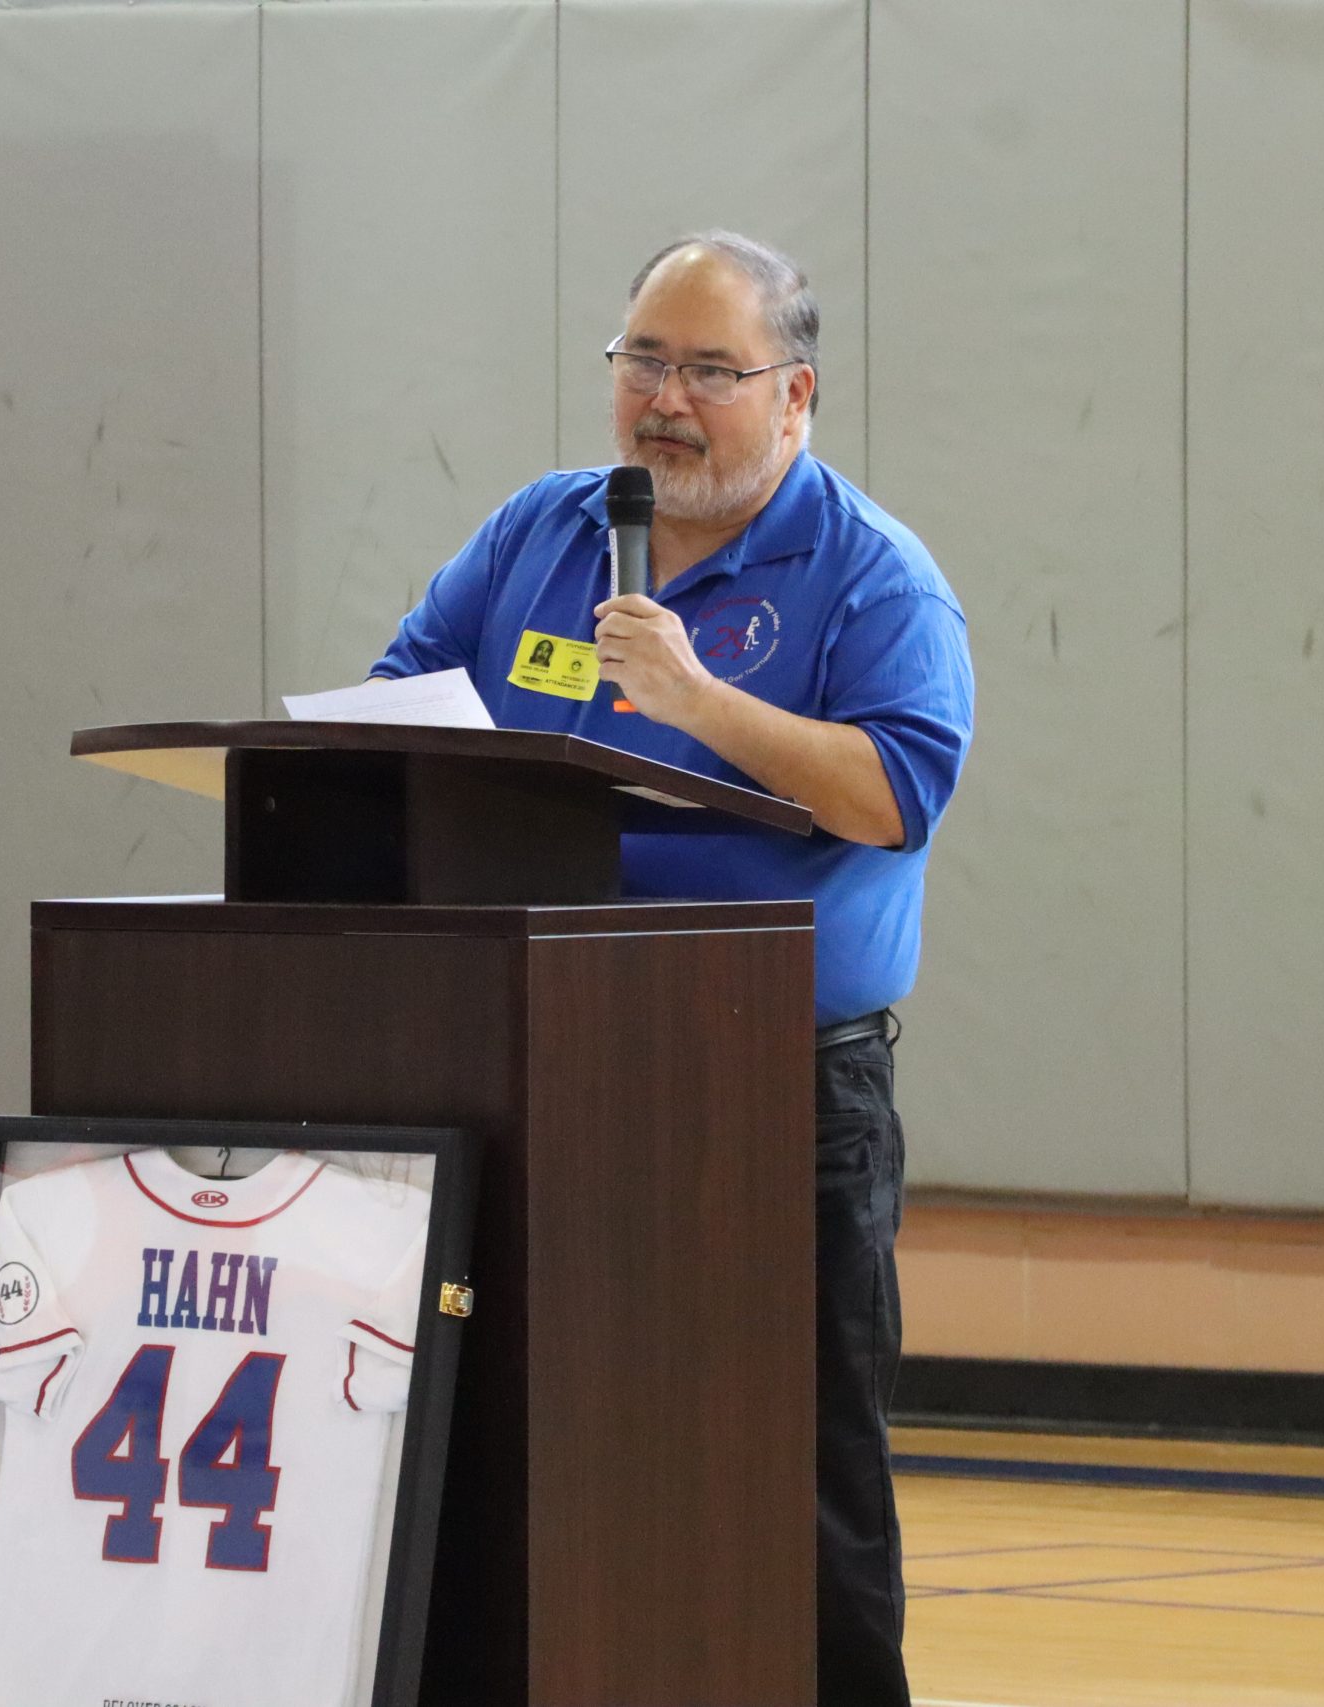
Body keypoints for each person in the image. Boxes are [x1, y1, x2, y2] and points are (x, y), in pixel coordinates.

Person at [372, 229, 974, 1705]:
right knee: (538, 1436)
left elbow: (896, 792)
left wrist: (698, 701)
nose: (666, 398)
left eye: (711, 369)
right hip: (533, 1054)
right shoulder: (543, 532)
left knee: (796, 1465)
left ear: (797, 394)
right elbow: (401, 699)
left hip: (769, 1084)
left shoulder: (872, 576)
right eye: (644, 358)